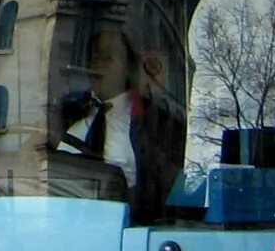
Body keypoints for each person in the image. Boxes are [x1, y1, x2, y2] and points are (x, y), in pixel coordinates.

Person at [50, 25, 185, 221]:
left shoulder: (158, 123)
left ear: (129, 68)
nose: (97, 66)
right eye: (94, 58)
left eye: (106, 58)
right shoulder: (66, 113)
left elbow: (172, 187)